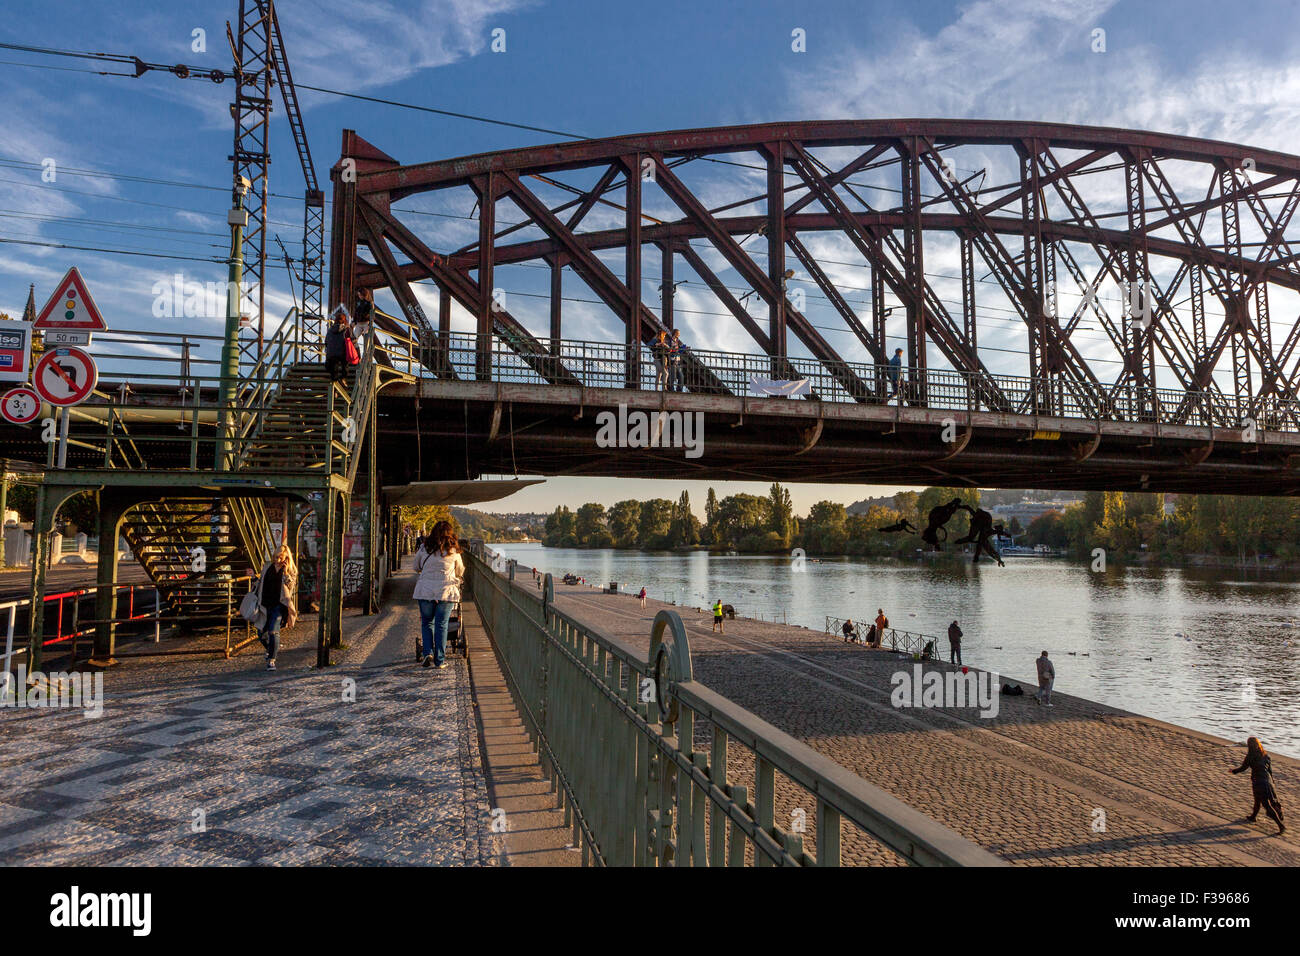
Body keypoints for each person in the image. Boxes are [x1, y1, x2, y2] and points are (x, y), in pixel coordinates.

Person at [413, 520, 465, 669]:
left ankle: (427, 653)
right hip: (446, 592)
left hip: (425, 591)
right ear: (450, 535)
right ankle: (439, 660)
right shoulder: (453, 551)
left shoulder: (424, 548)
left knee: (427, 622)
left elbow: (415, 566)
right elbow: (460, 570)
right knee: (442, 625)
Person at [255, 544, 298, 672]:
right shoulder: (267, 566)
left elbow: (291, 587)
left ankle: (271, 660)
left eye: (280, 557)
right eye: (275, 556)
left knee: (273, 630)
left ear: (286, 557)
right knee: (261, 632)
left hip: (279, 605)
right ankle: (270, 649)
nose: (277, 559)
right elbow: (261, 581)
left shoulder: (290, 570)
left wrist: (285, 572)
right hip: (264, 603)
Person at [1230, 737, 1285, 834]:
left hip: (1258, 782)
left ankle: (1281, 826)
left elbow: (1243, 768)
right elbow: (1270, 771)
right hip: (1268, 781)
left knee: (1266, 805)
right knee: (1258, 799)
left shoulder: (1250, 756)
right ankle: (1253, 816)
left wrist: (1233, 771)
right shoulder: (1266, 755)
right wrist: (1272, 782)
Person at [324, 307, 353, 384]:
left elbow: (326, 342)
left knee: (334, 365)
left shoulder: (330, 330)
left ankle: (334, 381)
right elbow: (351, 341)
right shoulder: (346, 330)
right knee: (345, 362)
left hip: (331, 355)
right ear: (344, 320)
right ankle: (343, 377)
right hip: (342, 354)